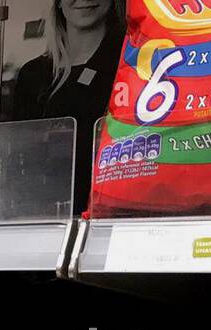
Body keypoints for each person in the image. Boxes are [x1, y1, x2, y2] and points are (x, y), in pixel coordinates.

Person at [12, 0, 125, 210]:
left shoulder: (130, 65)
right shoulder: (33, 75)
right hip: (46, 216)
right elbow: (19, 159)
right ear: (59, 4)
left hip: (113, 213)